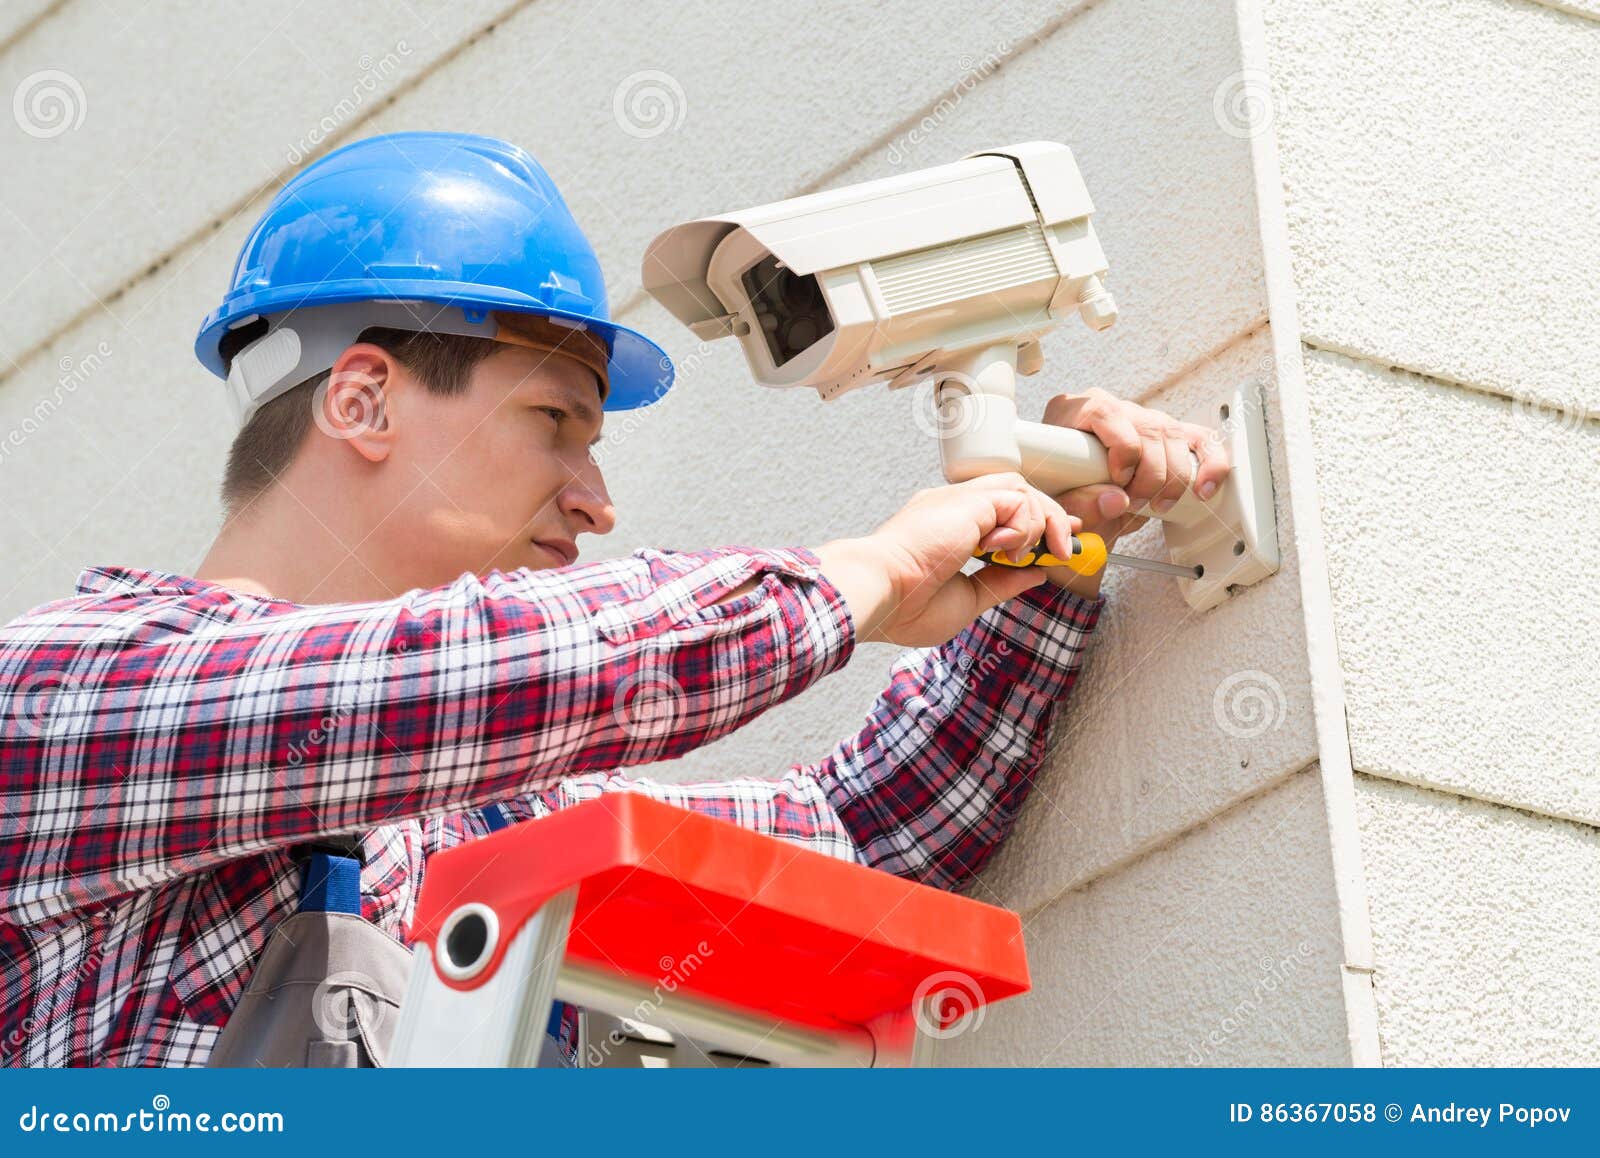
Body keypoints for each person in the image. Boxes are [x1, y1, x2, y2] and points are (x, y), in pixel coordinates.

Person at [0, 133, 1229, 1067]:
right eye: (554, 426)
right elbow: (467, 678)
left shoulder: (471, 828)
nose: (594, 502)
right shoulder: (58, 698)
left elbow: (870, 832)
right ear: (363, 400)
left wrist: (1060, 548)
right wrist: (866, 576)